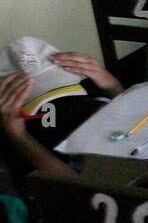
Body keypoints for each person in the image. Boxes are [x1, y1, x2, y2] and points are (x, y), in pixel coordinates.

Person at [0, 39, 123, 178]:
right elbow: (77, 186)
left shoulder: (96, 102)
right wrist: (18, 136)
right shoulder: (37, 136)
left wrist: (114, 87)